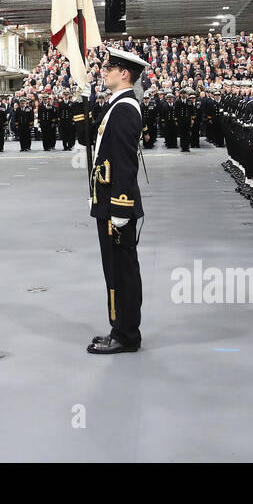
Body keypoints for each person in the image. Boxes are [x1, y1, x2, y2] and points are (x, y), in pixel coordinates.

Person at [87, 47, 146, 355]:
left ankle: (125, 334)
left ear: (124, 74)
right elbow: (88, 137)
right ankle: (120, 328)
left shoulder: (124, 109)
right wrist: (82, 96)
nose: (104, 71)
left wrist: (121, 208)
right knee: (116, 268)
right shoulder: (116, 105)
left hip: (116, 205)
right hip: (107, 201)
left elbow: (124, 163)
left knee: (121, 271)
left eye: (109, 68)